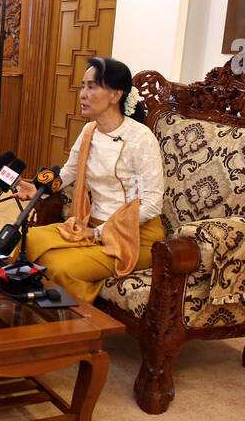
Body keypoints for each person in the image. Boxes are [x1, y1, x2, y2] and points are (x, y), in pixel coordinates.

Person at [15, 57, 164, 303]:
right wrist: (38, 190)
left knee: (60, 266)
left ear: (116, 95)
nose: (83, 94)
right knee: (29, 240)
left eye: (92, 87)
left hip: (134, 235)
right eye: (83, 86)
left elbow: (152, 203)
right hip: (90, 223)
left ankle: (79, 328)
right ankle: (32, 312)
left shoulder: (141, 138)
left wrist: (99, 232)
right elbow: (69, 172)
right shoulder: (89, 131)